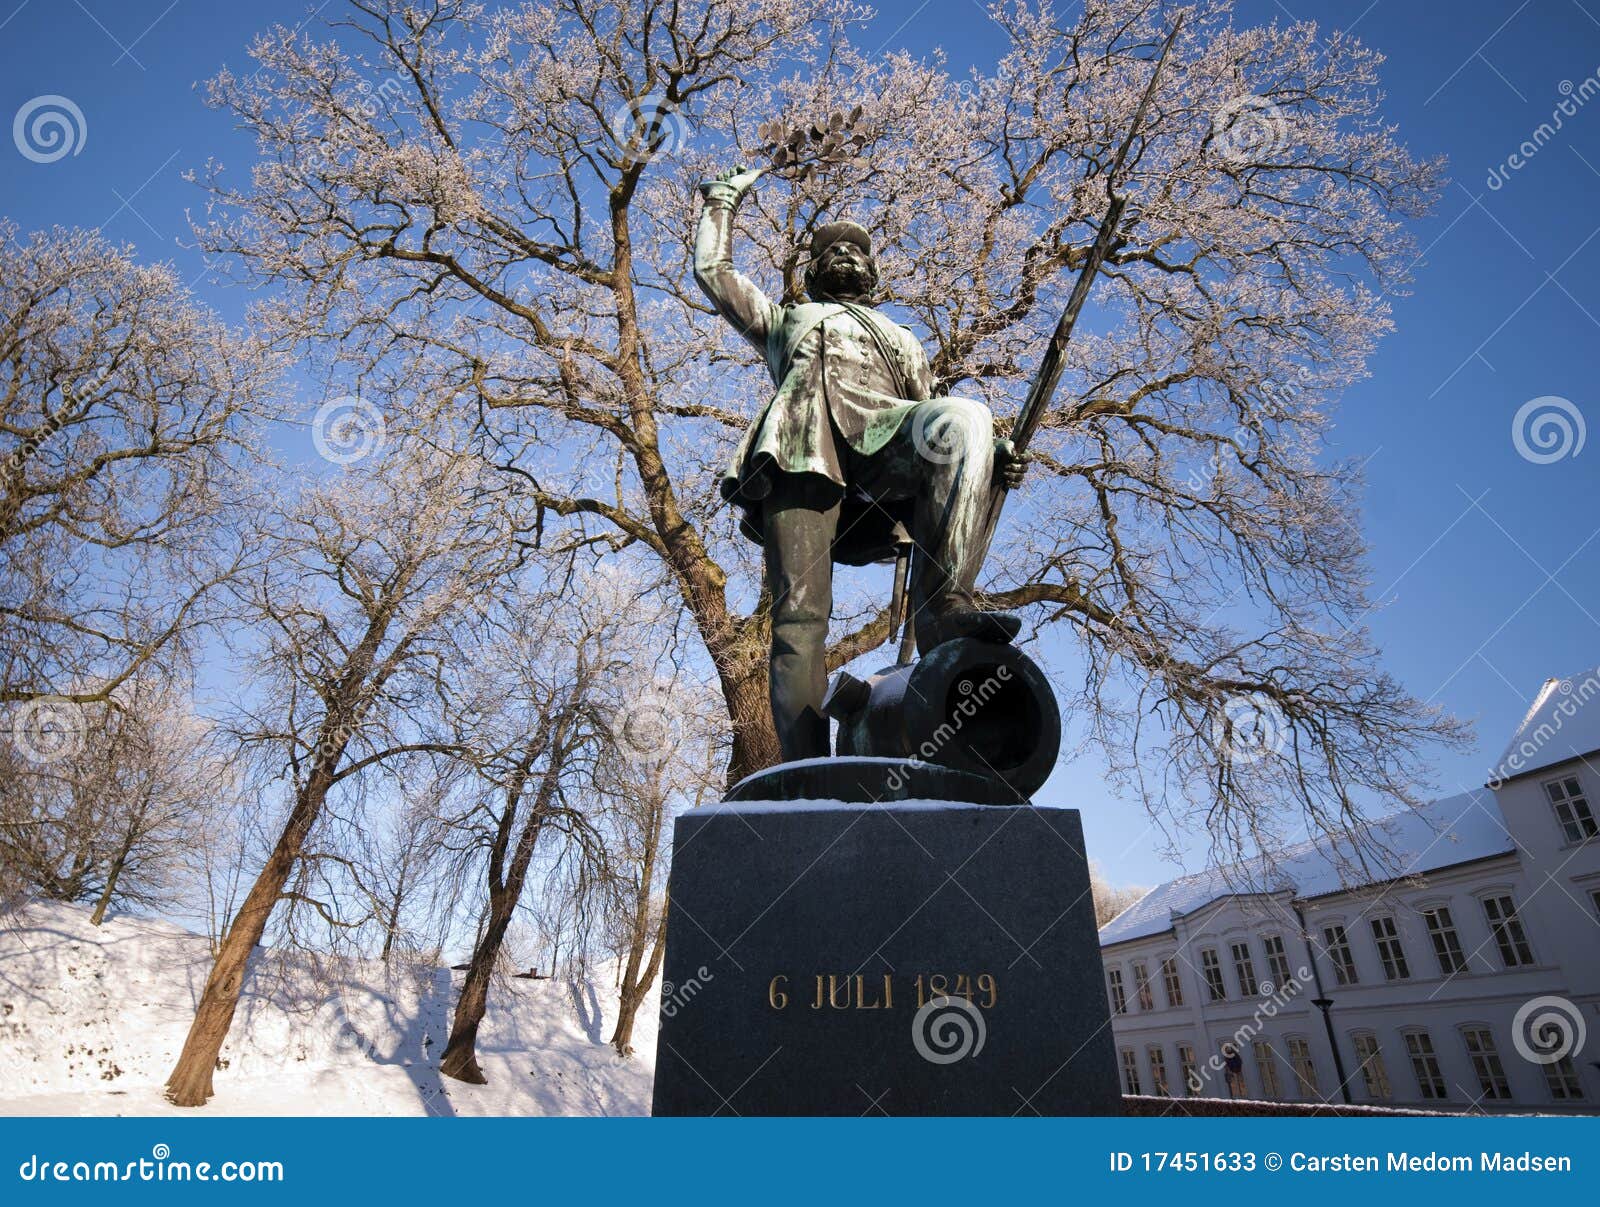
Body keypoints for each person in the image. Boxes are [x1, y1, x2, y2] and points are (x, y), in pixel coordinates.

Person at [694, 164, 1028, 761]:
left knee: (969, 418)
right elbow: (712, 272)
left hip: (885, 438)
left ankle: (944, 608)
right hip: (803, 451)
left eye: (855, 250)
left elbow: (929, 417)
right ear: (813, 272)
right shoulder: (786, 321)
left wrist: (985, 456)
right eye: (830, 251)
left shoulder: (902, 338)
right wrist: (721, 202)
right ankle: (802, 769)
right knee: (800, 618)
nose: (844, 254)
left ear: (872, 273)